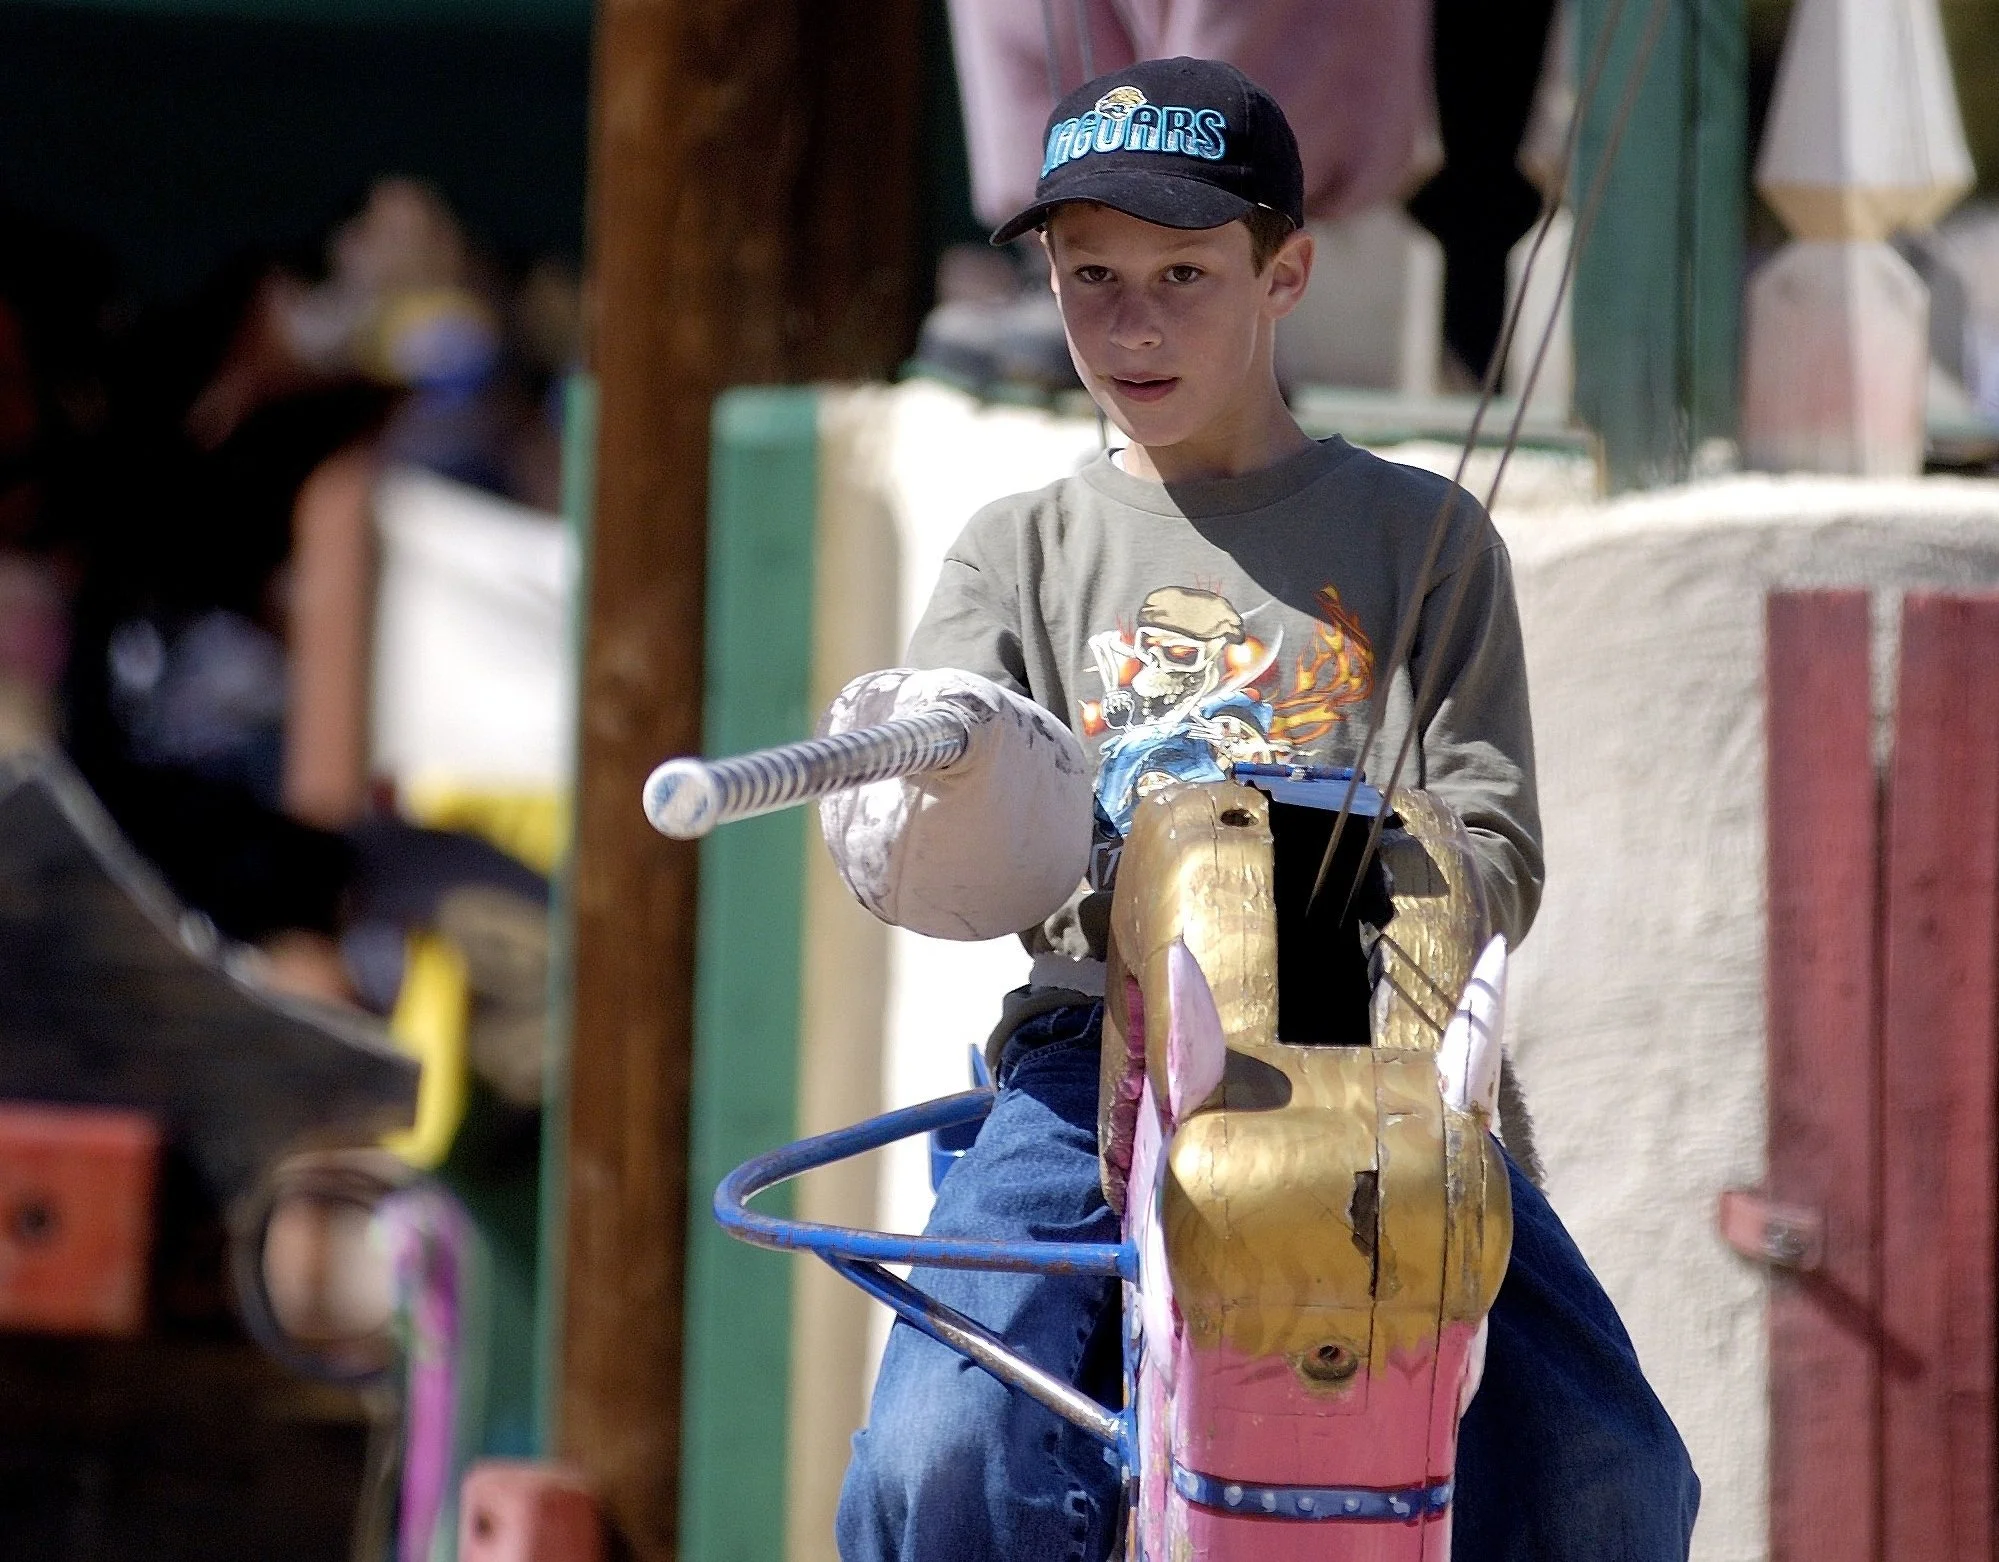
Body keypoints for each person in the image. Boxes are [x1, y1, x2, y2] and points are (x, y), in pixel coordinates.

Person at [833, 57, 1700, 1562]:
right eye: (1089, 275)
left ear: (1283, 270)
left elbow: (1490, 845)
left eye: (1184, 271)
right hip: (1084, 1053)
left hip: (1381, 1061)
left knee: (1614, 1471)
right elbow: (968, 827)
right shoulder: (1016, 549)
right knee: (936, 1449)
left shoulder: (1422, 537)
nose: (1133, 321)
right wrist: (965, 796)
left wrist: (1296, 889)